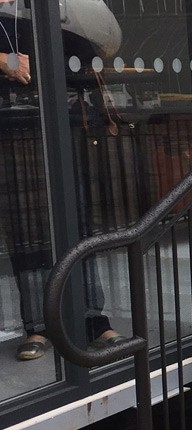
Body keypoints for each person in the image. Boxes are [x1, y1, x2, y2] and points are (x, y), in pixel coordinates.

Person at [0, 28, 122, 360]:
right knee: (27, 230)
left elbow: (93, 47)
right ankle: (38, 326)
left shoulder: (34, 16)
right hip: (12, 134)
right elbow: (19, 64)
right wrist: (5, 60)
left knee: (77, 221)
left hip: (61, 130)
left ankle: (93, 320)